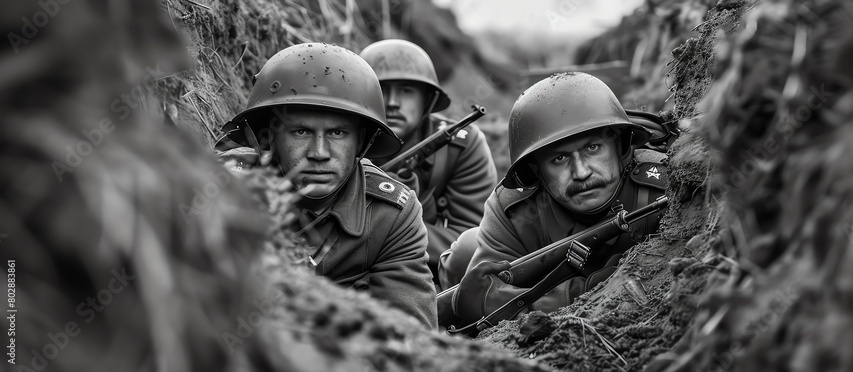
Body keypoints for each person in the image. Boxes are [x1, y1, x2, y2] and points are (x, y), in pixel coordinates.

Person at [219, 43, 437, 329]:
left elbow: (412, 337)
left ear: (361, 141)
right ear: (268, 137)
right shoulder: (225, 188)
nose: (319, 152)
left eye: (337, 133)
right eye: (300, 131)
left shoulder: (391, 215)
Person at [439, 72, 672, 327]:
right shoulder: (514, 211)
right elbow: (486, 297)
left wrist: (559, 297)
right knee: (465, 251)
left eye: (593, 148)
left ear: (620, 146)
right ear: (536, 170)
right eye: (559, 159)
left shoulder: (667, 182)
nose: (581, 172)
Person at [359, 39, 497, 287]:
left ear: (428, 99)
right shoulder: (343, 139)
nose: (392, 102)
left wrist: (383, 225)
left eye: (407, 90)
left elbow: (476, 240)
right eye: (381, 89)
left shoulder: (461, 145)